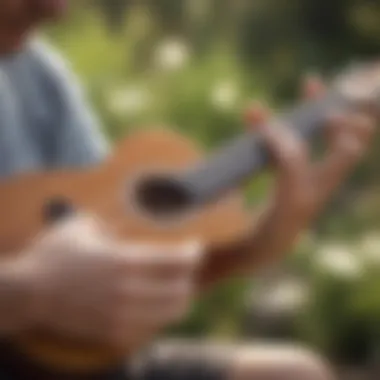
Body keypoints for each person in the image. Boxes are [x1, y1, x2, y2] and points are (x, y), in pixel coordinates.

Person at [0, 1, 376, 379]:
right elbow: (43, 292)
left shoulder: (36, 76)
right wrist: (29, 292)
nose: (56, 10)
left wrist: (258, 242)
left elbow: (110, 269)